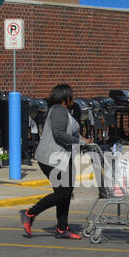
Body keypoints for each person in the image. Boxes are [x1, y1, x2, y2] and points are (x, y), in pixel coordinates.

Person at [21, 84, 87, 239]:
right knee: (63, 192)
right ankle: (30, 213)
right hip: (53, 159)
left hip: (61, 158)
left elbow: (69, 132)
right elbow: (58, 134)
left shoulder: (62, 111)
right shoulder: (58, 111)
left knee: (65, 192)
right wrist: (80, 142)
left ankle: (62, 228)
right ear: (65, 98)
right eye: (72, 96)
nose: (74, 98)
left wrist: (83, 141)